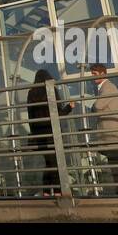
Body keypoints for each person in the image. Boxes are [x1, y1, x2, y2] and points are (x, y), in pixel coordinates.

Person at [88, 62, 118, 195]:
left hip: (111, 134)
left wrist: (93, 108)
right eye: (92, 74)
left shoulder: (107, 87)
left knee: (117, 164)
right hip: (112, 133)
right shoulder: (106, 87)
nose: (93, 77)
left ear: (103, 74)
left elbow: (97, 106)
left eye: (95, 74)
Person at [26, 68, 73, 196]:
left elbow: (30, 117)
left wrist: (34, 134)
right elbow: (57, 114)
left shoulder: (31, 93)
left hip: (40, 133)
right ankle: (58, 191)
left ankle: (47, 192)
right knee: (56, 163)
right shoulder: (51, 91)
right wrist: (69, 107)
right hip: (52, 132)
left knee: (49, 163)